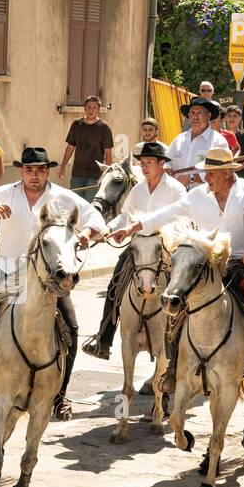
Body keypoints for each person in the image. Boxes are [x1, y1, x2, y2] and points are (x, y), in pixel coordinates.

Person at [113, 147, 244, 408]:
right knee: (174, 308)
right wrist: (132, 227)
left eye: (211, 173)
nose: (206, 178)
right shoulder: (197, 197)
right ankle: (171, 369)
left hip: (243, 262)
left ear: (226, 172)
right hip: (206, 266)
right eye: (205, 172)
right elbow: (166, 214)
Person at [0, 147, 107, 421]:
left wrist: (86, 233)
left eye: (40, 170)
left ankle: (60, 395)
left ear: (47, 171)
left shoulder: (61, 197)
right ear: (22, 171)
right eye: (29, 170)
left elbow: (95, 217)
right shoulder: (6, 193)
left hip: (49, 277)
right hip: (7, 270)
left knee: (70, 327)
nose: (35, 175)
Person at [81, 140, 186, 361]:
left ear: (162, 164)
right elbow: (125, 216)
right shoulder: (138, 189)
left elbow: (183, 219)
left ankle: (182, 348)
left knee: (185, 292)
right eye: (142, 162)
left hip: (167, 249)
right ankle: (103, 339)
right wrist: (108, 228)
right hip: (138, 247)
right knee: (116, 283)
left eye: (149, 162)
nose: (144, 166)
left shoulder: (176, 189)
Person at [59, 95, 114, 202]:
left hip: (95, 175)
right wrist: (63, 166)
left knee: (88, 206)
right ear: (84, 108)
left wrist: (107, 173)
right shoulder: (76, 125)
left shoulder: (104, 128)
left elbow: (108, 153)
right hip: (77, 173)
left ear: (98, 110)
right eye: (88, 107)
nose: (91, 110)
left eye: (94, 107)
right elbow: (70, 147)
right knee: (75, 204)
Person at [167, 96, 230, 188]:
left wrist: (192, 178)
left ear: (208, 116)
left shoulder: (218, 141)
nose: (195, 117)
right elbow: (166, 160)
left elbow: (221, 171)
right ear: (188, 116)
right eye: (192, 112)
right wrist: (167, 167)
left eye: (200, 112)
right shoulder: (179, 139)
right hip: (177, 195)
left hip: (204, 197)